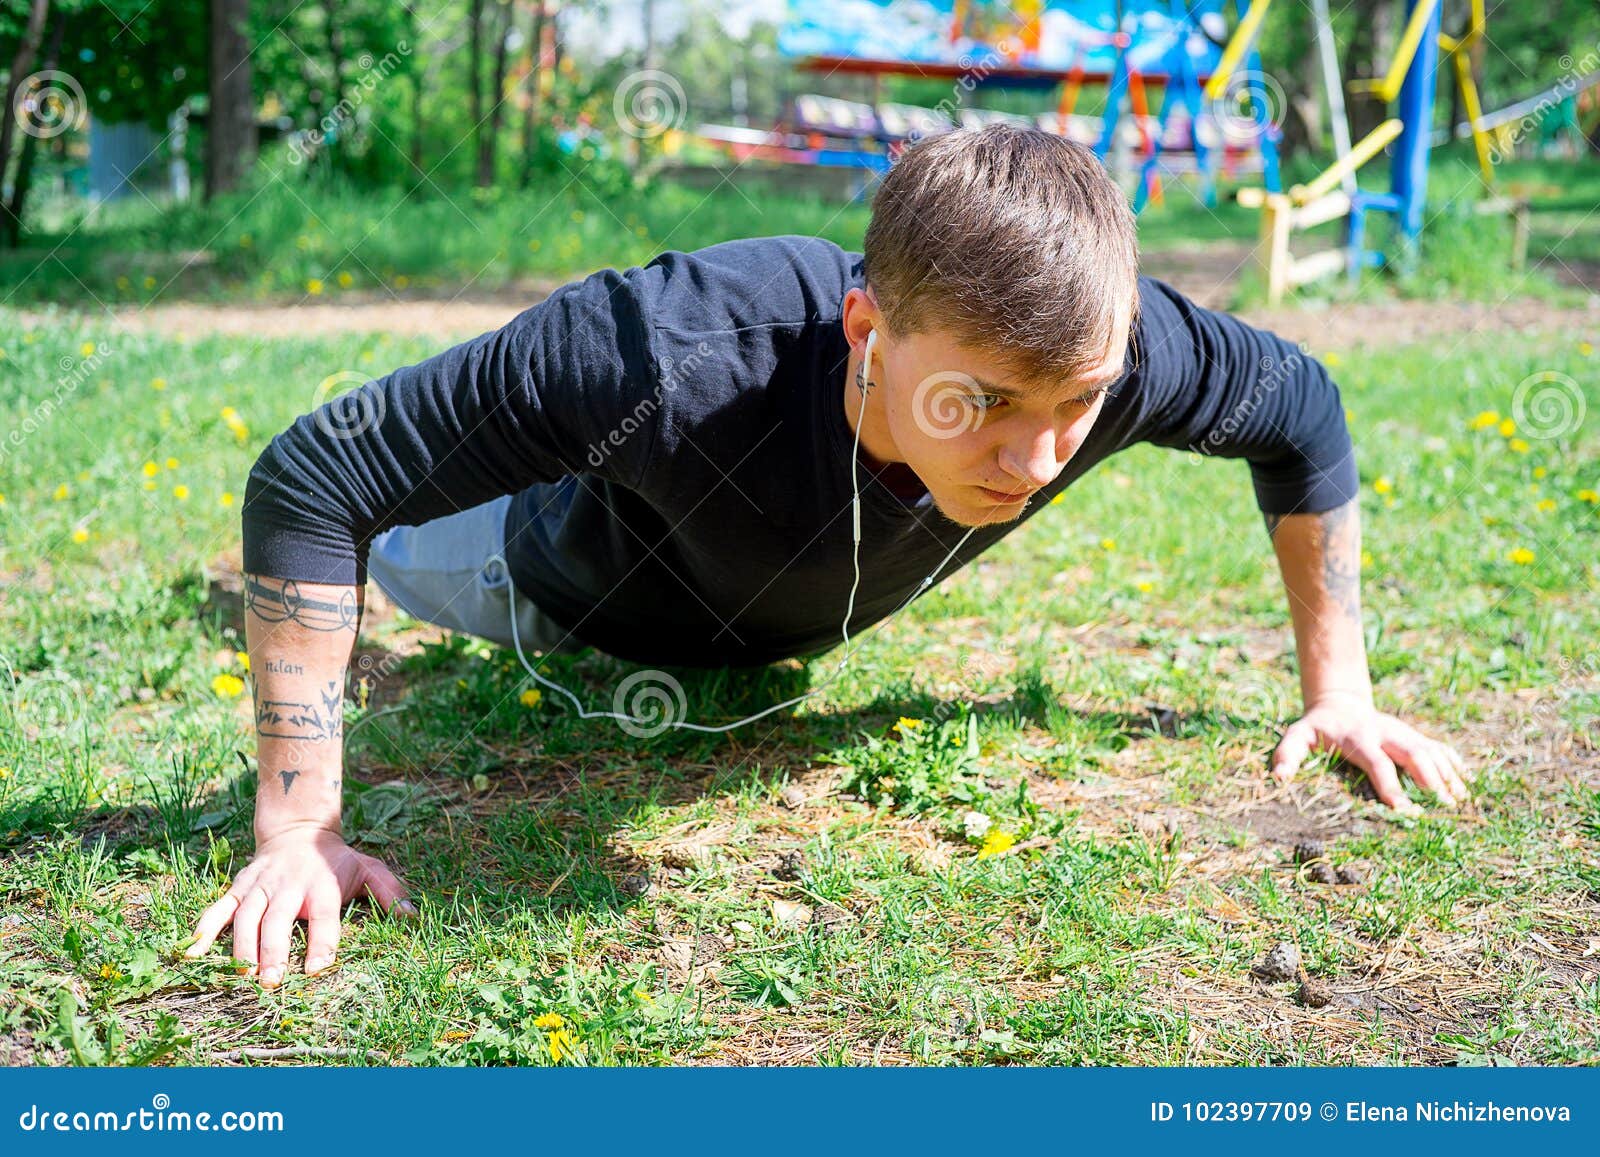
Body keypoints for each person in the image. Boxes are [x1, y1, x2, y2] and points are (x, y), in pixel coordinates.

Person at [184, 125, 1469, 988]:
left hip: (764, 616)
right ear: (868, 326)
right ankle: (230, 596)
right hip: (544, 587)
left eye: (1073, 404)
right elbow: (312, 479)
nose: (1036, 459)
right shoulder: (665, 350)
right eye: (984, 402)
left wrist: (1340, 689)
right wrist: (298, 827)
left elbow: (1302, 410)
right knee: (375, 544)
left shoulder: (1116, 351)